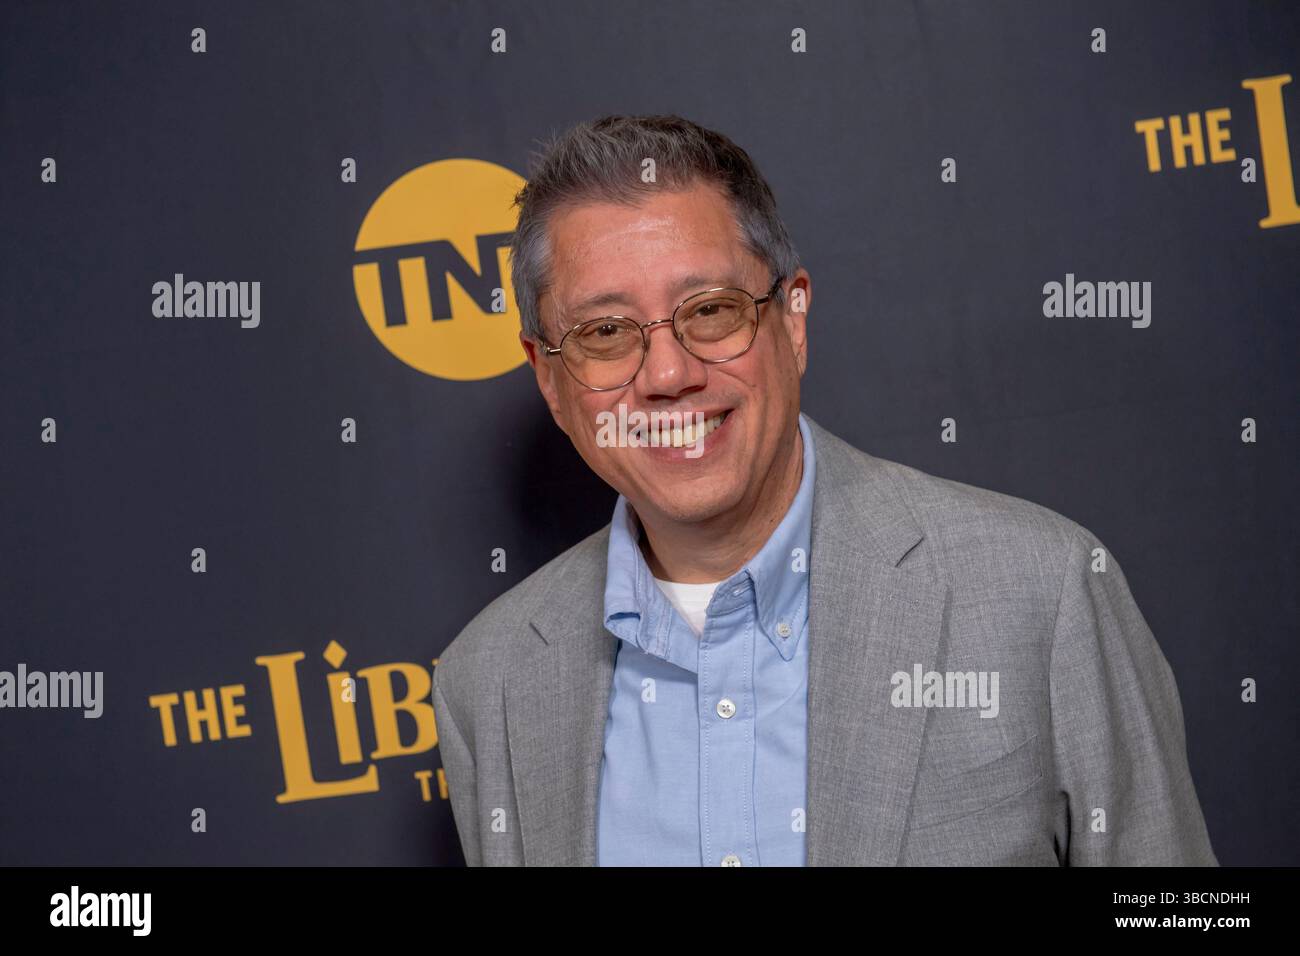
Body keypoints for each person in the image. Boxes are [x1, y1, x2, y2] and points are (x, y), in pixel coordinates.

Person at [430, 114, 1217, 866]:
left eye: (711, 311)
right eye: (605, 333)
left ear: (794, 321)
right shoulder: (489, 682)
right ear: (550, 379)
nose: (668, 376)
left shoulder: (1040, 594)